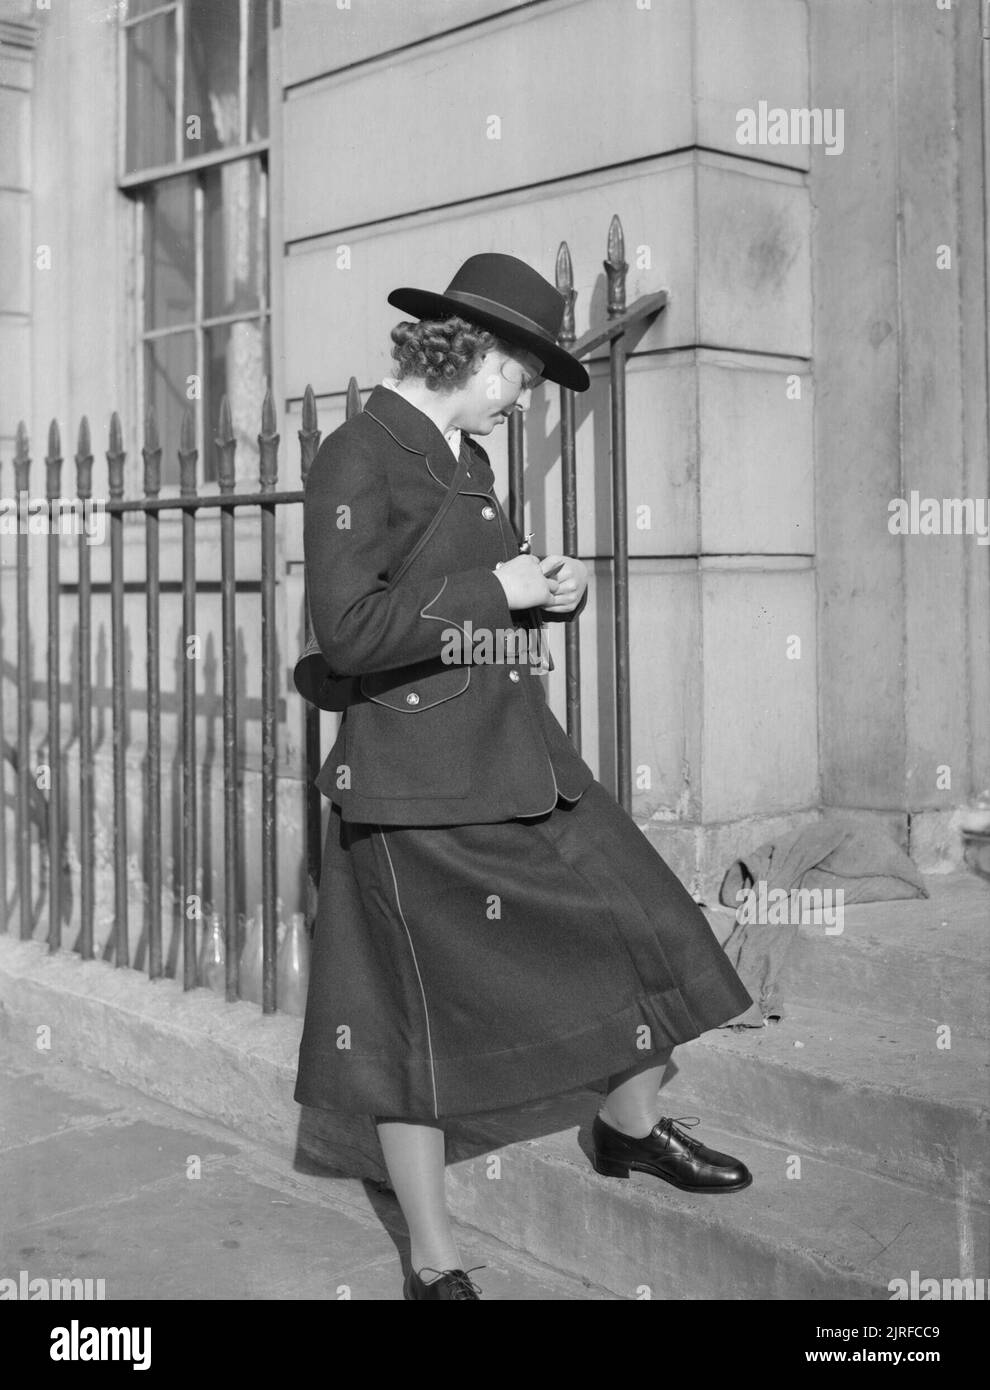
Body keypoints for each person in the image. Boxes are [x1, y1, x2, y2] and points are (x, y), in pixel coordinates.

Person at [293, 253, 755, 1301]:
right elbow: (351, 631)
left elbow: (472, 595)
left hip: (521, 757)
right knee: (405, 1022)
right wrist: (491, 586)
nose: (525, 401)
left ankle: (627, 1125)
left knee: (658, 928)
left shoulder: (464, 453)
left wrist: (548, 589)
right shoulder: (356, 454)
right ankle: (434, 1259)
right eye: (526, 378)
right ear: (485, 358)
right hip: (411, 785)